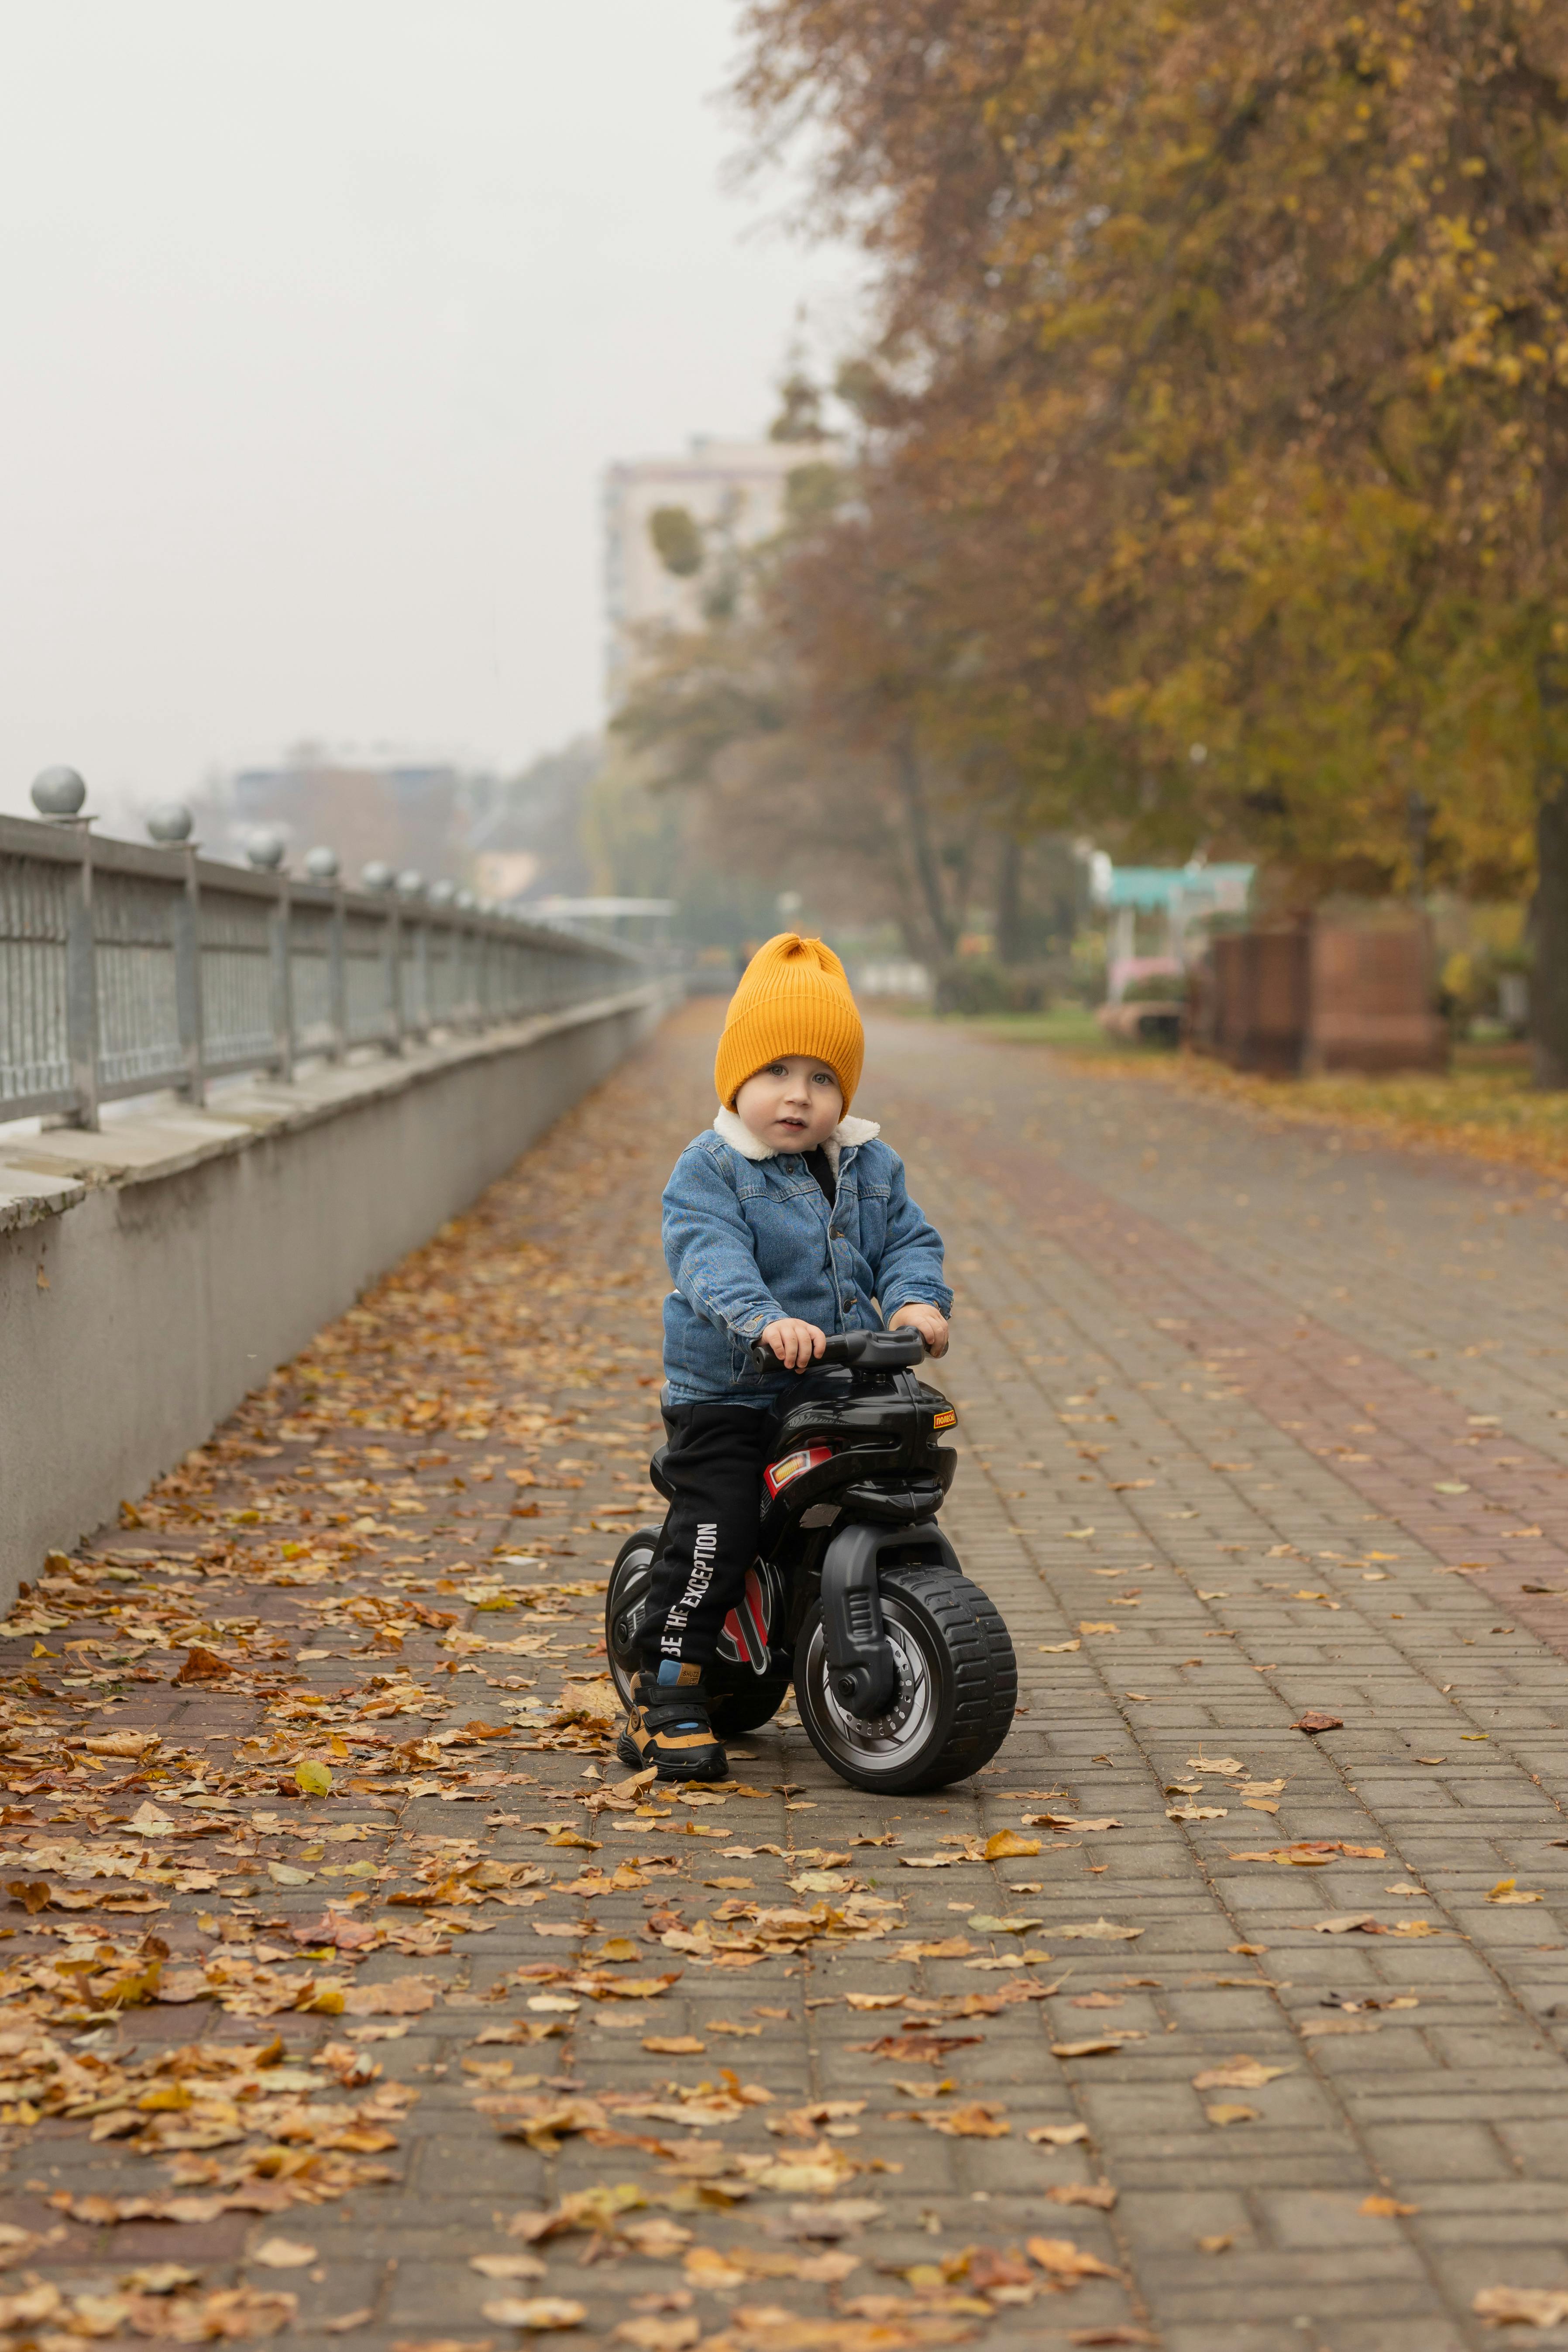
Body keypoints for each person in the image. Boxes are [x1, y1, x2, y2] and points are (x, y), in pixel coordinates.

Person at [619, 932, 951, 1780]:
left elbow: (908, 1240)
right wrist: (763, 1318)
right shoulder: (713, 1169)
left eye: (822, 1079)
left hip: (836, 1380)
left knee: (886, 1479)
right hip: (730, 1393)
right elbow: (707, 1258)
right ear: (737, 1077)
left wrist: (917, 1298)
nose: (797, 1097)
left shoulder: (870, 1165)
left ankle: (850, 1611)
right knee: (717, 1529)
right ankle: (666, 1696)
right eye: (776, 1073)